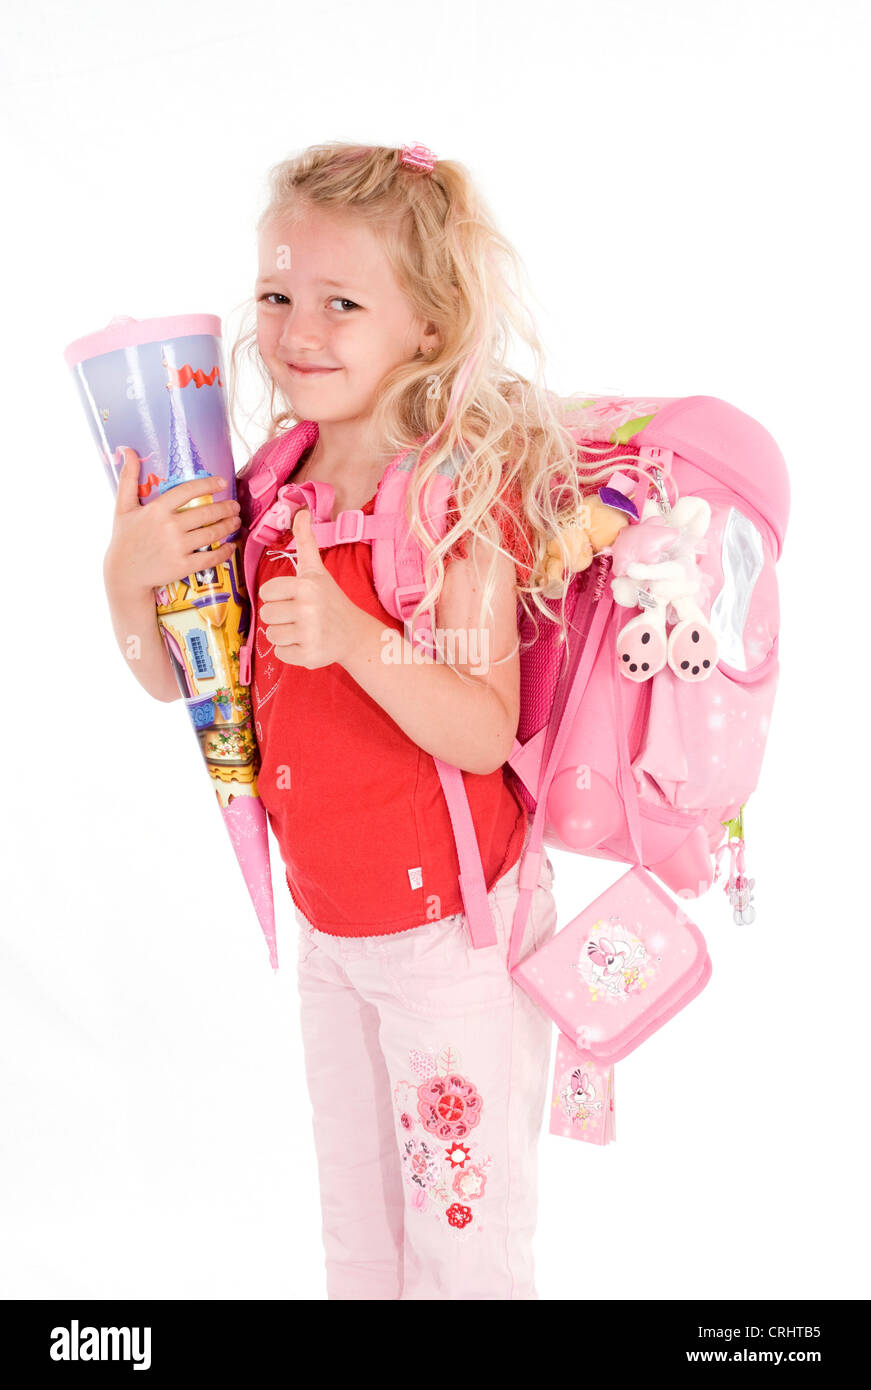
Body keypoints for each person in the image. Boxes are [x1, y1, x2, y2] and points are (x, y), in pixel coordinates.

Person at [103, 140, 588, 1301]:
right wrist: (128, 578)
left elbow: (480, 731)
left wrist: (354, 635)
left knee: (462, 1242)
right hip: (333, 929)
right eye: (275, 295)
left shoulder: (455, 487)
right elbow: (185, 686)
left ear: (426, 322)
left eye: (339, 302)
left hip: (452, 942)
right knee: (360, 1235)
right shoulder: (265, 483)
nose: (296, 331)